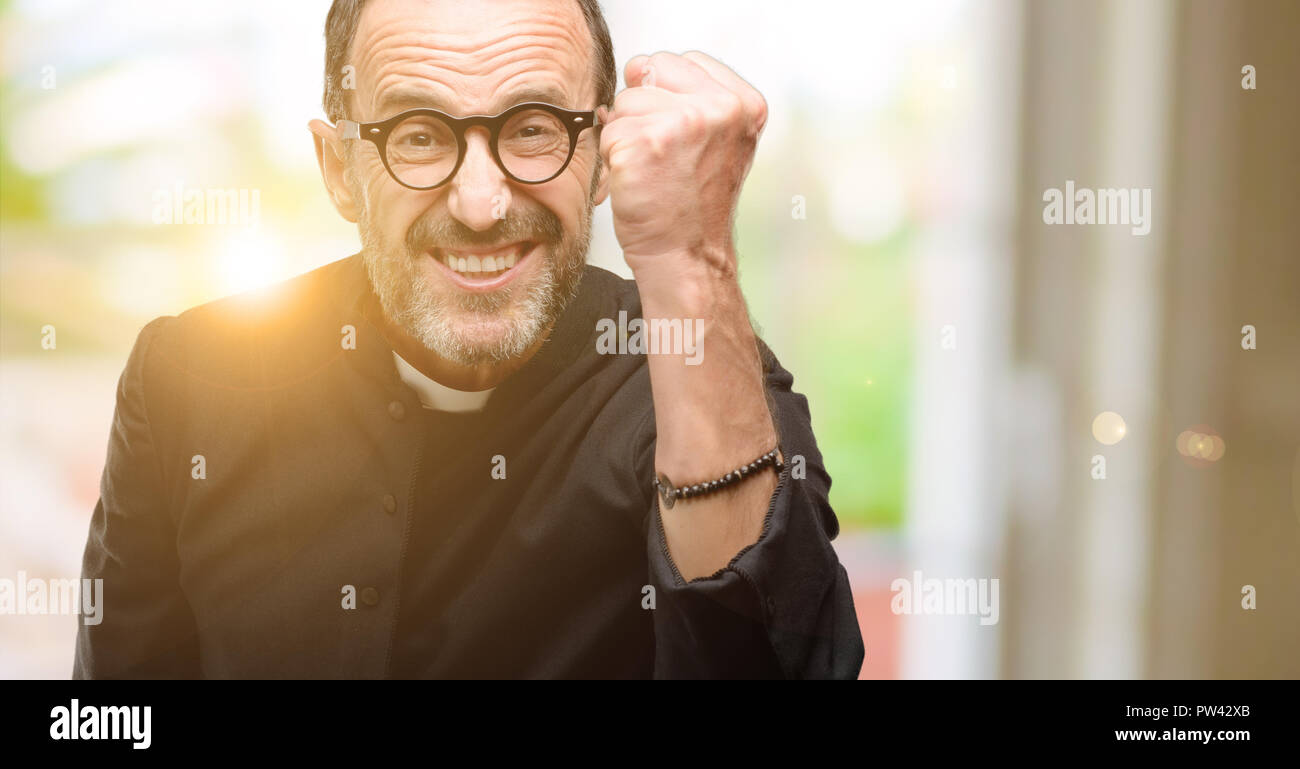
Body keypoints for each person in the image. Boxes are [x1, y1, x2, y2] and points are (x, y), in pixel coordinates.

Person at [74, 0, 864, 679]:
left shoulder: (701, 375)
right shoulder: (186, 377)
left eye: (532, 129)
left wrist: (691, 261)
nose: (481, 203)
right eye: (418, 134)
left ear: (598, 158)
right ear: (339, 168)